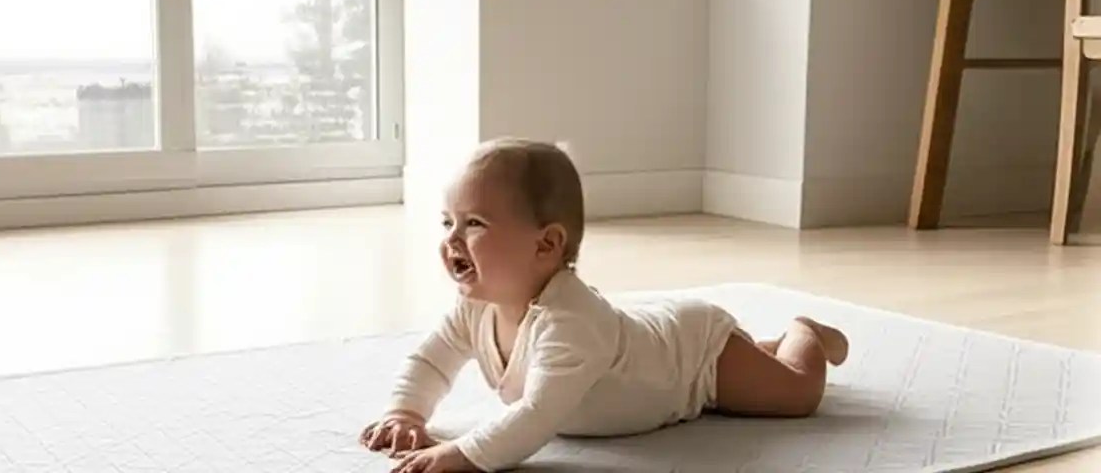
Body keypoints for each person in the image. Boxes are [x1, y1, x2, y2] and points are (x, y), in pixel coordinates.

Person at [360, 139, 848, 473]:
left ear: (546, 245)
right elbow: (431, 360)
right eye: (448, 222)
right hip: (649, 341)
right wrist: (407, 412)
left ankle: (803, 333)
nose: (452, 240)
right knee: (748, 371)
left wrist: (463, 455)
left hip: (695, 361)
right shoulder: (475, 309)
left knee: (796, 395)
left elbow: (536, 416)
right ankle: (760, 347)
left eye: (475, 224)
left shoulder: (570, 322)